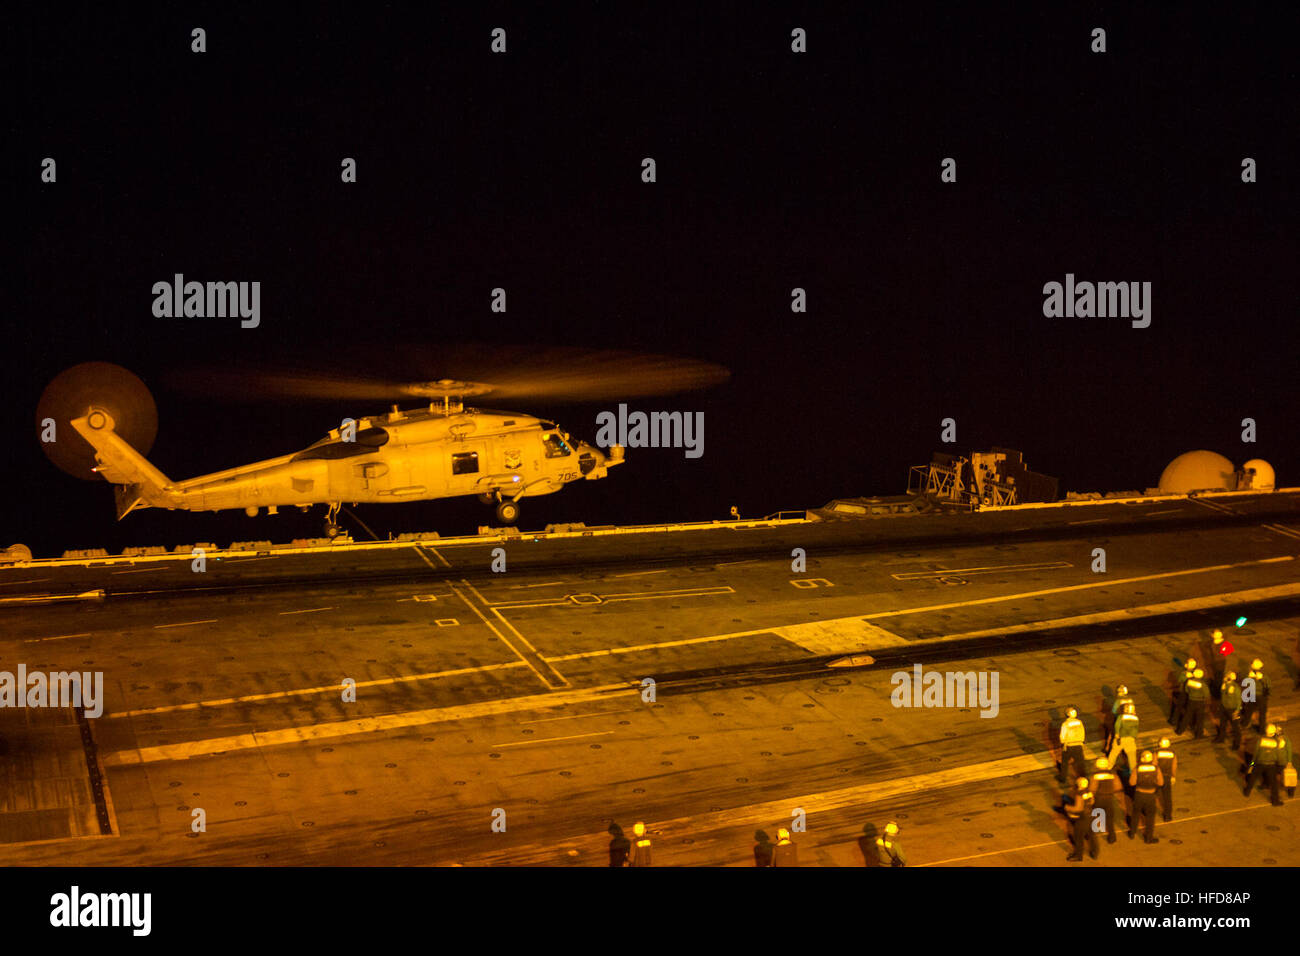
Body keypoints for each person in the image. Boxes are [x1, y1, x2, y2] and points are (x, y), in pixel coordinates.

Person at [1244, 725, 1283, 806]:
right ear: (1273, 732)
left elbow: (1256, 753)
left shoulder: (1261, 740)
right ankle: (1275, 801)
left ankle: (1247, 791)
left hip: (1259, 763)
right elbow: (1278, 755)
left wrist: (1252, 763)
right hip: (1271, 765)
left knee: (1253, 777)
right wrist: (1281, 764)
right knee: (1274, 783)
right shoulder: (1276, 742)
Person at [1129, 751, 1163, 843]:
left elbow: (1132, 782)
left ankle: (1132, 833)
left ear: (1142, 758)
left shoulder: (1137, 768)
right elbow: (1161, 783)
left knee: (1135, 814)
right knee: (1150, 817)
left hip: (1139, 794)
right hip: (1150, 795)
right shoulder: (1156, 768)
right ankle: (1148, 838)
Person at [1065, 777, 1099, 861]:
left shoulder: (1079, 794)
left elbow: (1078, 808)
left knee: (1078, 837)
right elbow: (1092, 802)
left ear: (1078, 784)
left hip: (1082, 819)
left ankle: (1078, 855)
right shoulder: (1089, 792)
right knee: (1092, 835)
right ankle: (1094, 853)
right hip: (1091, 816)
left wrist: (1068, 807)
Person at [1091, 757, 1122, 843]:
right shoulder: (1112, 774)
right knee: (1110, 819)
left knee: (1096, 816)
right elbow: (1118, 786)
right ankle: (1112, 837)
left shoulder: (1095, 776)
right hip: (1109, 799)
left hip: (1098, 799)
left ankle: (1095, 834)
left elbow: (1092, 789)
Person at [1108, 703, 1139, 776]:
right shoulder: (1135, 718)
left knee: (1114, 753)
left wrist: (1117, 735)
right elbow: (1136, 729)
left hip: (1121, 738)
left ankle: (1108, 767)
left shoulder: (1121, 717)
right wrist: (1133, 737)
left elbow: (1117, 726)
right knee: (1132, 756)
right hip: (1130, 739)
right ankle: (1133, 772)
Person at [1215, 671, 1243, 749]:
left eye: (1226, 676)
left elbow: (1239, 700)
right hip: (1224, 708)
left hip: (1232, 710)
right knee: (1222, 724)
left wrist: (1237, 711)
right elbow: (1222, 695)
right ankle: (1221, 738)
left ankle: (1237, 743)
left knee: (1235, 727)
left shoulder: (1235, 687)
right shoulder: (1224, 685)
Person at [1059, 706, 1087, 785]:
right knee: (1080, 762)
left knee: (1065, 762)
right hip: (1078, 744)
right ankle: (1083, 777)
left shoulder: (1066, 723)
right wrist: (1081, 741)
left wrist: (1063, 742)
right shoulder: (1079, 722)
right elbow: (1082, 732)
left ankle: (1063, 778)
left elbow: (1063, 734)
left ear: (1067, 714)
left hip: (1069, 745)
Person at [1179, 668, 1208, 738]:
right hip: (1200, 702)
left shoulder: (1189, 682)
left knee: (1187, 716)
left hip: (1191, 701)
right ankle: (1199, 734)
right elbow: (1206, 694)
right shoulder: (1202, 684)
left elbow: (1186, 690)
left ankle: (1180, 730)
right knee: (1200, 719)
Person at [1242, 660, 1270, 731]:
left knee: (1249, 710)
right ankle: (1261, 730)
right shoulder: (1263, 675)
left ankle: (1245, 723)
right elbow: (1268, 685)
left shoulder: (1250, 673)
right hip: (1261, 696)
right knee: (1262, 714)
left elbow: (1246, 684)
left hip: (1252, 695)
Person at [1106, 684, 1135, 751]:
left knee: (1113, 732)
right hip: (1131, 719)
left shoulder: (1119, 700)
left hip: (1121, 719)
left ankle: (1109, 747)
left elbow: (1114, 711)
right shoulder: (1130, 700)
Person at [1155, 738, 1177, 822]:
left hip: (1158, 777)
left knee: (1152, 794)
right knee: (1167, 797)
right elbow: (1174, 766)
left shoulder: (1157, 752)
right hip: (1167, 776)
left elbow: (1154, 764)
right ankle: (1168, 816)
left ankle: (1147, 812)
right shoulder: (1172, 753)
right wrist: (1173, 776)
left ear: (1160, 744)